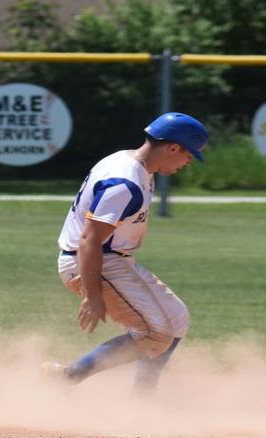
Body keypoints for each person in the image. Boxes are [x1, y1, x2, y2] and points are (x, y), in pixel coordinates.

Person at [42, 113, 209, 394]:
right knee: (155, 334)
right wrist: (93, 296)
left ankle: (143, 396)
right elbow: (89, 241)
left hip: (112, 260)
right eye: (189, 155)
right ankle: (67, 376)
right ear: (172, 148)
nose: (189, 162)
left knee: (176, 317)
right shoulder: (125, 182)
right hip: (90, 262)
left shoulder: (135, 164)